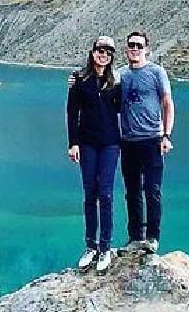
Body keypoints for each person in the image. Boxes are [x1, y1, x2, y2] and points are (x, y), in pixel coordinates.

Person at [66, 36, 122, 274]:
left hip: (110, 144)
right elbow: (72, 113)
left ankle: (105, 247)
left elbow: (122, 107)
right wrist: (73, 143)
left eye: (108, 52)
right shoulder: (79, 80)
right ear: (93, 52)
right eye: (100, 50)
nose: (104, 55)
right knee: (90, 194)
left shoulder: (115, 81)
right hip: (87, 144)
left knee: (106, 194)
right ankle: (91, 246)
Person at [118, 29, 174, 253]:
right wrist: (76, 80)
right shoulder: (120, 75)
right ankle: (135, 238)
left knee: (152, 190)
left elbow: (167, 104)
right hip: (128, 141)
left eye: (139, 45)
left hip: (152, 140)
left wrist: (166, 135)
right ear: (126, 49)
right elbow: (99, 88)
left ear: (146, 49)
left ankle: (152, 237)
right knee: (132, 192)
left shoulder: (156, 72)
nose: (135, 49)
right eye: (131, 45)